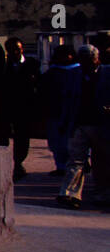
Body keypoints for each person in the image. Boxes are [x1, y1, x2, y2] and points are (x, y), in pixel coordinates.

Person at [56, 45, 110, 210]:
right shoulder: (74, 75)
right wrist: (64, 123)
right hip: (79, 124)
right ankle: (69, 194)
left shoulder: (107, 73)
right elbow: (67, 100)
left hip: (102, 124)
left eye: (90, 60)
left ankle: (102, 194)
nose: (87, 64)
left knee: (102, 161)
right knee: (76, 159)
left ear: (97, 59)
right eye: (84, 60)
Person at [0, 37, 40, 179]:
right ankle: (4, 163)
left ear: (22, 49)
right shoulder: (2, 67)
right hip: (5, 107)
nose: (15, 52)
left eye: (17, 49)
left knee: (23, 137)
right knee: (1, 136)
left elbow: (38, 86)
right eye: (11, 50)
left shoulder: (32, 65)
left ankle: (18, 163)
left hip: (24, 108)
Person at [41, 45, 81, 176]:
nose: (65, 58)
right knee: (57, 143)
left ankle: (79, 166)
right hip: (55, 113)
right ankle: (61, 167)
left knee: (76, 143)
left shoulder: (78, 71)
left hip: (75, 114)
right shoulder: (51, 73)